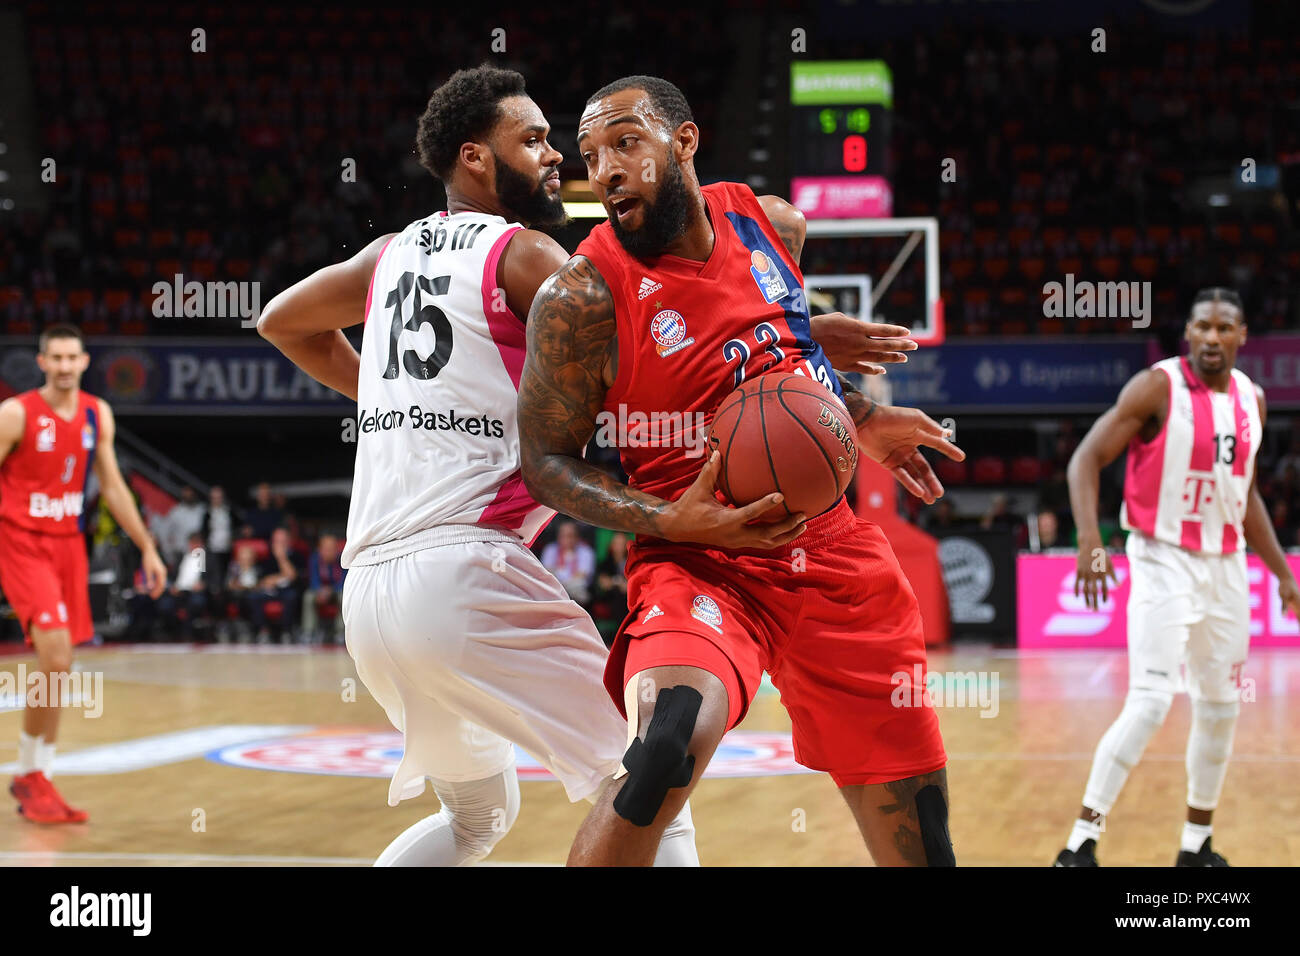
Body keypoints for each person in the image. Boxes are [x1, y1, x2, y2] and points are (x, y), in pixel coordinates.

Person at [517, 75, 965, 866]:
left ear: (684, 142)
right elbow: (546, 463)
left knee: (922, 830)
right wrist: (669, 520)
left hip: (834, 554)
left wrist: (863, 418)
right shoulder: (580, 296)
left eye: (627, 141)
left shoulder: (773, 225)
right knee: (667, 744)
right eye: (591, 155)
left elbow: (782, 358)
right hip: (697, 558)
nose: (608, 168)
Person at [1058, 288, 1300, 867]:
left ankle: (1195, 847)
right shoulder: (1157, 387)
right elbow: (1085, 459)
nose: (1211, 338)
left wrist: (1282, 573)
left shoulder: (1253, 401)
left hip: (1228, 567)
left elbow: (1245, 498)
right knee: (1150, 701)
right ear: (1187, 333)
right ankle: (1080, 844)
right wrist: (1090, 541)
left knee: (1221, 708)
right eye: (1201, 327)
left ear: (1242, 336)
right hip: (1162, 557)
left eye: (1224, 328)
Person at [0, 324, 166, 823]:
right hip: (21, 540)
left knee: (62, 663)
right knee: (53, 657)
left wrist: (149, 548)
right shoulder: (15, 414)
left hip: (69, 544)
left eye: (74, 357)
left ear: (85, 362)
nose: (66, 366)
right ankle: (31, 774)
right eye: (57, 358)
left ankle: (37, 774)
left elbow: (113, 486)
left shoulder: (98, 413)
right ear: (42, 362)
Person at [302, 532, 346, 644]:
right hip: (320, 591)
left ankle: (340, 632)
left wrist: (331, 591)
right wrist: (319, 591)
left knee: (344, 598)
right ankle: (309, 632)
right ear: (320, 549)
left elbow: (344, 581)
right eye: (326, 549)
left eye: (332, 548)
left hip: (337, 591)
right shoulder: (314, 559)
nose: (329, 552)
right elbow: (313, 579)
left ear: (337, 549)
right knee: (308, 597)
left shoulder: (343, 560)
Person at [540, 521, 596, 605]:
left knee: (579, 585)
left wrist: (562, 586)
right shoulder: (550, 549)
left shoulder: (586, 551)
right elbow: (547, 572)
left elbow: (582, 575)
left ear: (577, 537)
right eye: (562, 536)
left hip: (575, 590)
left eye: (569, 536)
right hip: (555, 589)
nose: (566, 539)